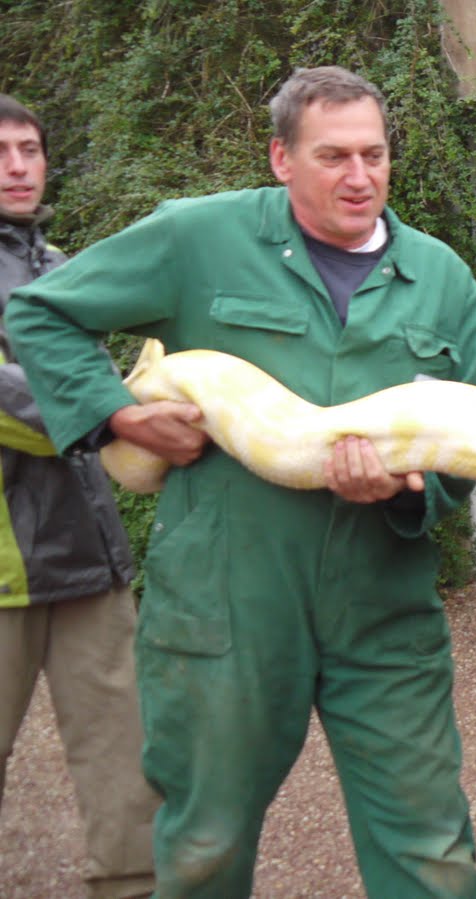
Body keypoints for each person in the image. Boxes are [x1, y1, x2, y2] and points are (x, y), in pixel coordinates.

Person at [5, 67, 476, 897]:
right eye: (333, 155)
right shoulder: (199, 238)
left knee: (434, 854)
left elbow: (470, 437)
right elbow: (41, 312)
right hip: (224, 606)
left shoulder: (442, 278)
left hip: (384, 608)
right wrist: (117, 414)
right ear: (280, 158)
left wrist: (411, 490)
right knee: (202, 846)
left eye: (374, 154)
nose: (360, 177)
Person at [0, 92, 160, 899]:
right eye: (1, 151)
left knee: (125, 756)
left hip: (88, 552)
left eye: (30, 148)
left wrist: (106, 401)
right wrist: (113, 411)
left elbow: (91, 382)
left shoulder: (62, 265)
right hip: (3, 571)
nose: (18, 166)